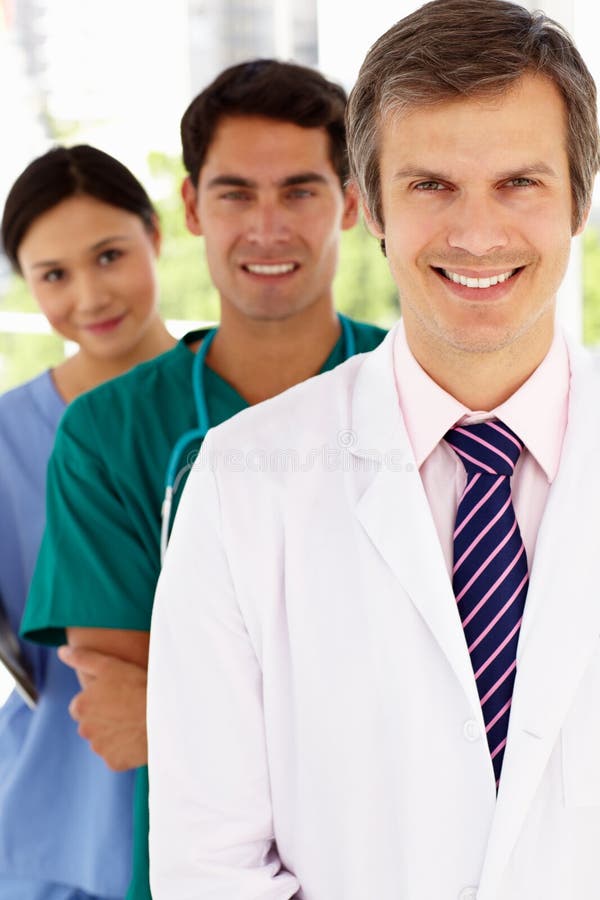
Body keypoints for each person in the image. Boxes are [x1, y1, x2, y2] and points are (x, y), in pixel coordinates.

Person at [145, 1, 600, 897]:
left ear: (580, 199)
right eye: (431, 185)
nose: (477, 233)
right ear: (373, 205)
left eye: (520, 182)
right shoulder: (243, 484)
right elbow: (211, 867)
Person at [20, 60, 388, 900]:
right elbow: (116, 722)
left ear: (354, 202)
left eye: (300, 191)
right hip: (204, 871)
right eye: (233, 194)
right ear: (189, 208)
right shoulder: (107, 436)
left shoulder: (416, 392)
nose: (267, 227)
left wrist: (187, 713)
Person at [0, 145, 175, 900]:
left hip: (228, 826)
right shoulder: (7, 437)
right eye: (54, 276)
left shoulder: (250, 416)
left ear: (157, 236)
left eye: (110, 255)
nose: (91, 295)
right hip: (56, 835)